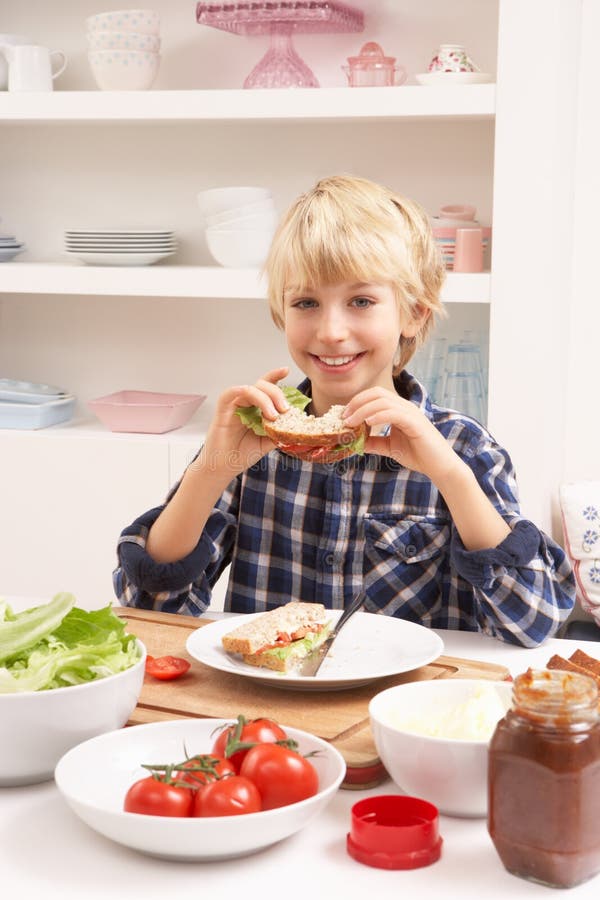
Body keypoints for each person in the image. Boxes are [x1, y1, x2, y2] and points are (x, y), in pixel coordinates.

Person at [113, 174, 575, 646]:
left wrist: (450, 476)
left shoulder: (463, 446)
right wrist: (210, 472)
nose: (331, 331)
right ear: (281, 314)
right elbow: (148, 610)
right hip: (271, 706)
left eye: (361, 301)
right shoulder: (251, 444)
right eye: (306, 302)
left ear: (413, 313)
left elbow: (533, 622)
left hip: (402, 707)